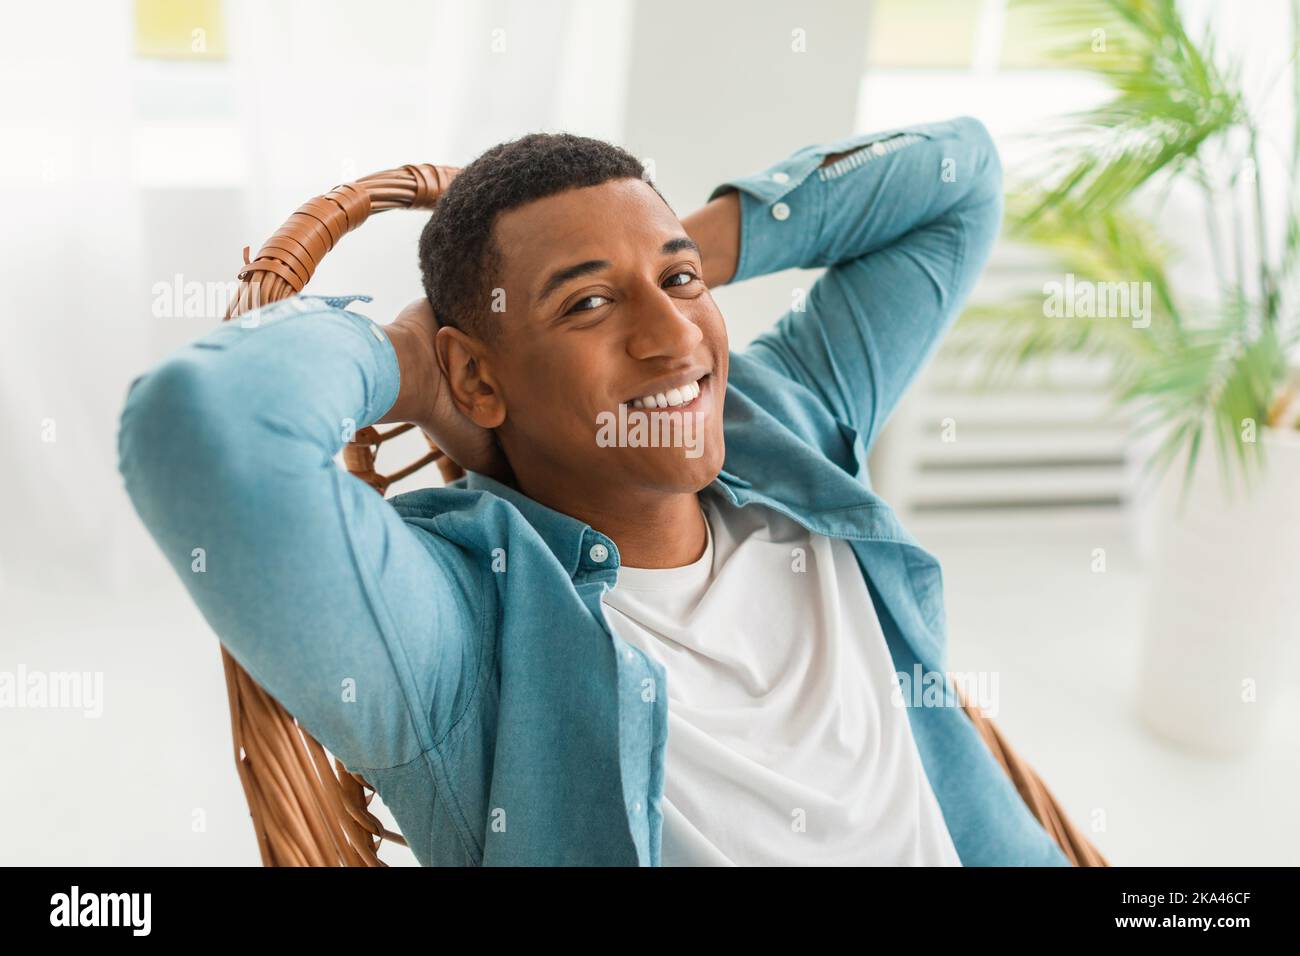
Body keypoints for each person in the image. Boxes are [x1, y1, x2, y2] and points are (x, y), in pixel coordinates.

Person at [118, 116, 1068, 866]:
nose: (676, 340)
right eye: (586, 305)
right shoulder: (461, 626)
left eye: (681, 286)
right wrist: (406, 357)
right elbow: (199, 427)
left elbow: (961, 175)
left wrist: (659, 256)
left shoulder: (780, 420)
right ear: (478, 378)